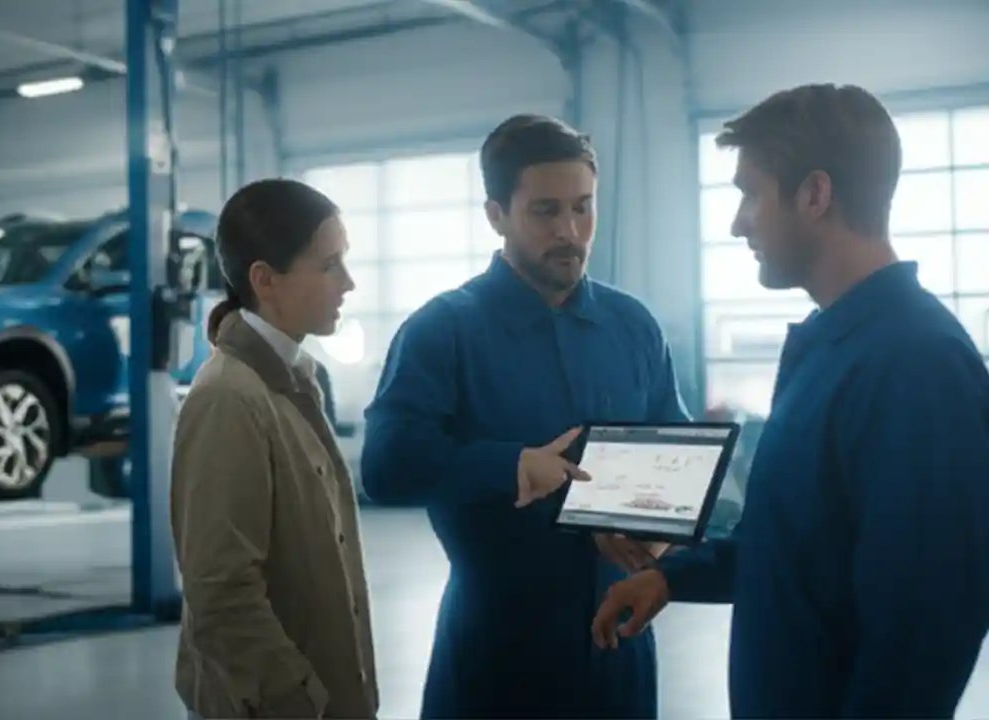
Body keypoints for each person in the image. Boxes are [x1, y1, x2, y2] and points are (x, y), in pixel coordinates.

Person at [592, 84, 989, 718]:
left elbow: (924, 627)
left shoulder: (917, 365)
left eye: (751, 193)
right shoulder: (831, 347)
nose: (737, 222)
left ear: (814, 195)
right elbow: (791, 542)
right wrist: (671, 576)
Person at [360, 114, 691, 719]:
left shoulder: (633, 326)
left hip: (620, 650)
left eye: (583, 207)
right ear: (496, 214)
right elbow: (386, 466)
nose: (570, 231)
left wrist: (659, 530)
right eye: (545, 211)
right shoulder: (443, 330)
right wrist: (511, 466)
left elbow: (679, 449)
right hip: (497, 655)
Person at [170, 178, 378, 719]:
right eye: (329, 265)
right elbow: (221, 595)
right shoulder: (229, 398)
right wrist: (299, 701)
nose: (348, 282)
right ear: (264, 279)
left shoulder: (292, 380)